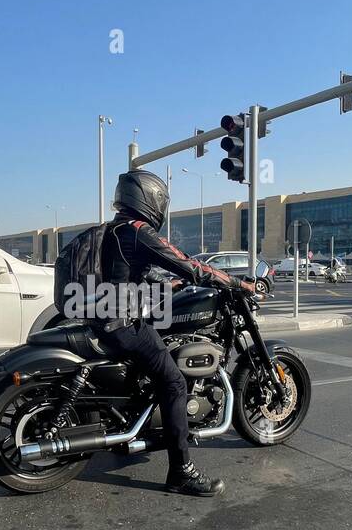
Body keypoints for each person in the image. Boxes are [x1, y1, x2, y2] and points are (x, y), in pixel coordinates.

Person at [95, 169, 254, 497]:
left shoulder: (112, 230)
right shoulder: (138, 230)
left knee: (160, 353)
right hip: (122, 323)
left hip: (101, 314)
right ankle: (181, 471)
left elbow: (129, 273)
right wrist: (237, 283)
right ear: (151, 200)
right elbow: (191, 264)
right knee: (174, 381)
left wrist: (170, 284)